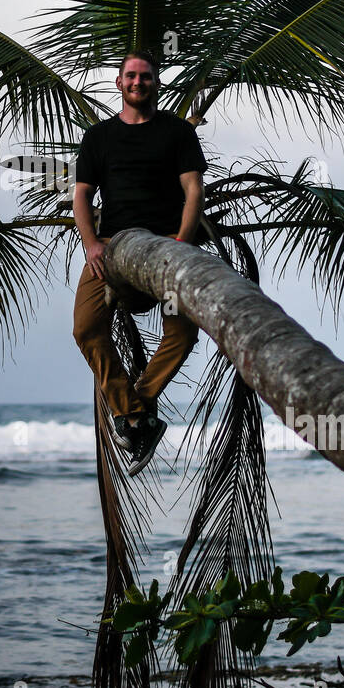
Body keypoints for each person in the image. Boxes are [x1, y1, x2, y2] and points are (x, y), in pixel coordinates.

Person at [72, 49, 207, 475]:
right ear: (118, 83)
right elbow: (82, 196)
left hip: (167, 246)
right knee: (86, 327)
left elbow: (193, 191)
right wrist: (92, 244)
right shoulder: (98, 138)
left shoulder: (177, 133)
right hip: (112, 248)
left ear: (156, 83)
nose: (138, 83)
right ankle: (135, 412)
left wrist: (184, 241)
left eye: (146, 76)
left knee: (184, 331)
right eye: (130, 76)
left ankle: (138, 407)